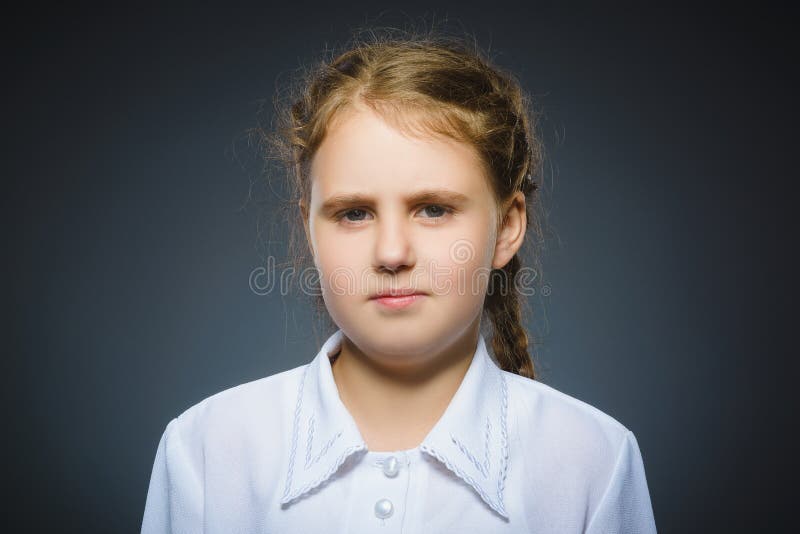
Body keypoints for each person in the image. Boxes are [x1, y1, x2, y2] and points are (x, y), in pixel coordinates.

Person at [141, 27, 657, 533]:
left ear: (508, 226)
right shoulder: (207, 449)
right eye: (354, 214)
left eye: (433, 209)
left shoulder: (594, 460)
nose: (391, 253)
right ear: (309, 229)